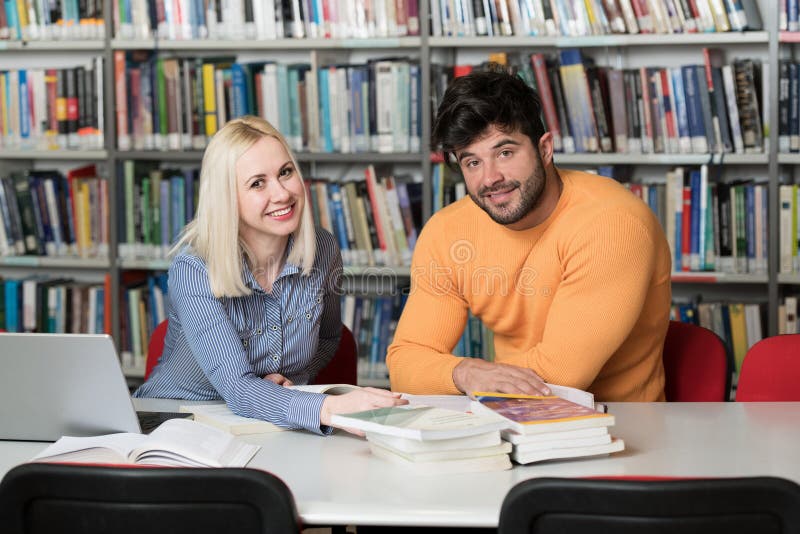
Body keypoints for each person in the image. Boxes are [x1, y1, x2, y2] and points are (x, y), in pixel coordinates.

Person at [386, 69, 672, 402]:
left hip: (621, 428)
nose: (490, 178)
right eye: (472, 162)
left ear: (545, 149)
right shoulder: (448, 231)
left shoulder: (613, 222)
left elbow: (561, 374)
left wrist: (454, 377)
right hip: (507, 418)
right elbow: (405, 364)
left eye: (505, 153)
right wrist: (463, 372)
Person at [134, 115, 406, 434]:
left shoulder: (324, 250)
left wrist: (287, 383)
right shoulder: (194, 268)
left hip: (259, 422)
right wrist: (329, 408)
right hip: (172, 423)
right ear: (227, 198)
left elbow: (330, 338)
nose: (281, 194)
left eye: (285, 172)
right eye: (257, 183)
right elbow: (238, 388)